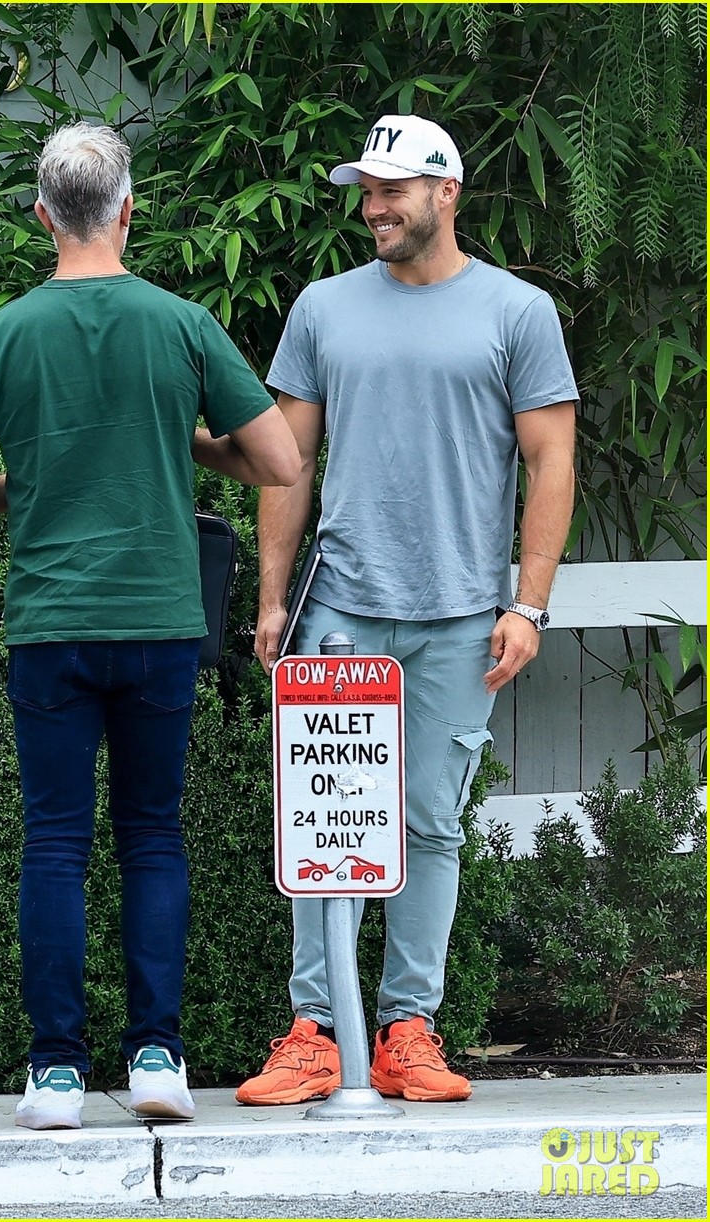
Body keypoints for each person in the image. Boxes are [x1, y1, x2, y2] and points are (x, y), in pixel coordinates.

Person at [0, 122, 300, 1129]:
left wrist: (25, 490)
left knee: (53, 841)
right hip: (159, 620)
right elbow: (276, 463)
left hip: (51, 622)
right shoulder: (181, 325)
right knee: (150, 836)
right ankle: (157, 1061)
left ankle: (52, 1076)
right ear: (128, 209)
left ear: (42, 215)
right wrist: (191, 449)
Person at [237, 114, 577, 1106]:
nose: (374, 206)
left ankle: (404, 1029)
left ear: (446, 195)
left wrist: (529, 603)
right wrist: (269, 595)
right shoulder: (321, 307)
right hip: (338, 601)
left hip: (464, 613)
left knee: (427, 823)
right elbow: (284, 462)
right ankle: (311, 1033)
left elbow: (551, 457)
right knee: (318, 815)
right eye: (365, 191)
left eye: (392, 189)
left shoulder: (515, 312)